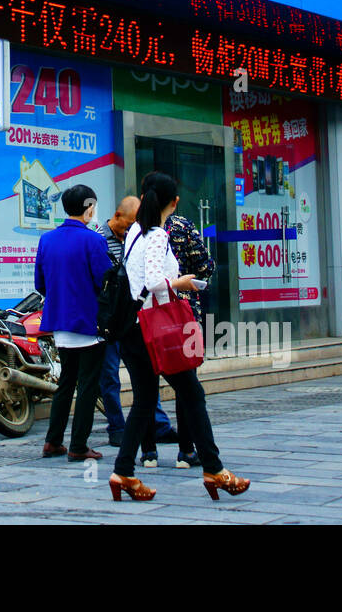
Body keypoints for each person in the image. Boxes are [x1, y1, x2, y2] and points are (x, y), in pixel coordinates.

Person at [109, 172, 250, 502]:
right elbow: (157, 281)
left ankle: (124, 472)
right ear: (174, 203)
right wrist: (182, 284)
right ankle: (214, 470)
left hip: (133, 328)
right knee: (192, 394)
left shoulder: (133, 234)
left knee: (145, 399)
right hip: (157, 330)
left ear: (143, 198)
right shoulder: (157, 235)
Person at [97, 196, 180, 455]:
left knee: (146, 375)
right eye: (129, 223)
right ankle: (118, 428)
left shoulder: (136, 235)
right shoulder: (98, 240)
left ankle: (158, 426)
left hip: (136, 316)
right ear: (117, 216)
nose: (132, 227)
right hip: (115, 316)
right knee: (110, 374)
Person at [35, 184, 111, 462]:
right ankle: (79, 445)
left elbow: (40, 284)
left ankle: (53, 441)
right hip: (88, 322)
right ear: (89, 206)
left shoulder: (47, 240)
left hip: (60, 322)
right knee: (88, 385)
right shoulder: (94, 241)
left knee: (66, 382)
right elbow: (105, 282)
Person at [162, 208, 216, 469]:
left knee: (146, 384)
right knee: (188, 381)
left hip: (148, 317)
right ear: (172, 201)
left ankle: (147, 453)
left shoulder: (135, 228)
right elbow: (206, 266)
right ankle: (187, 450)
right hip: (183, 313)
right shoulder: (182, 226)